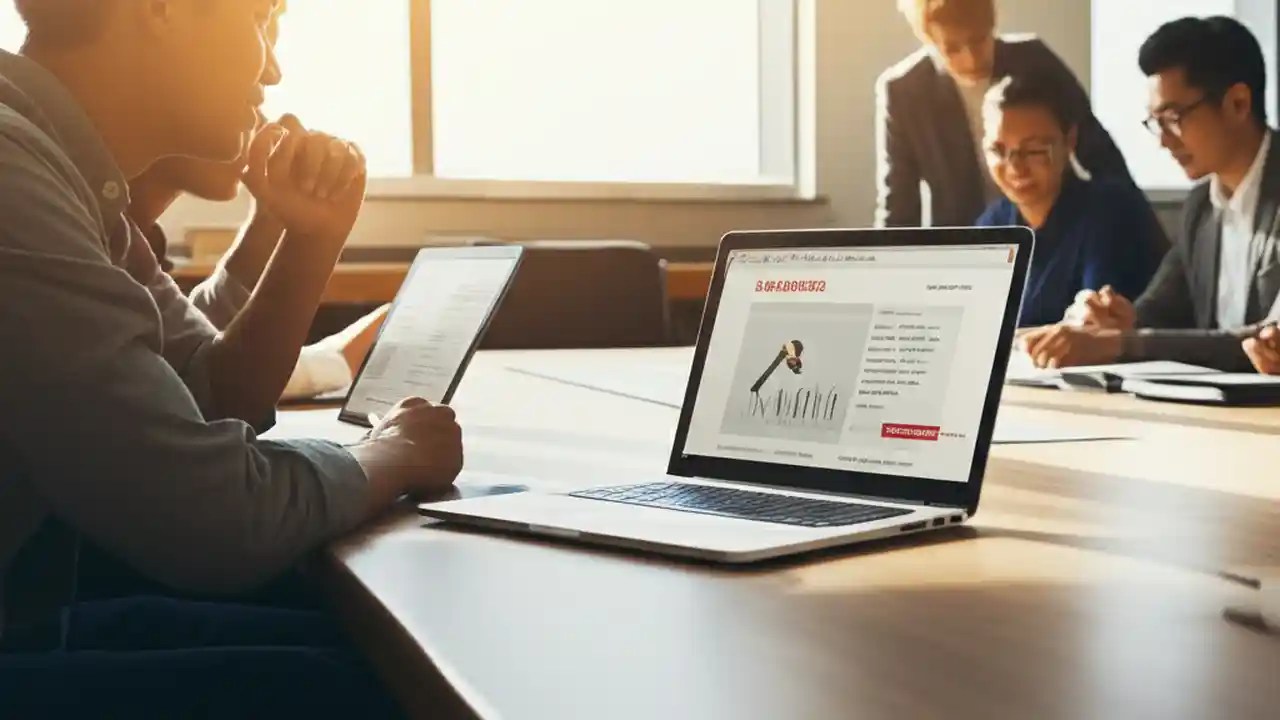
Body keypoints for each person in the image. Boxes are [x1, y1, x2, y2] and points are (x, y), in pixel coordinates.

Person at [0, 1, 461, 716]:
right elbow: (210, 518)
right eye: (257, 16)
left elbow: (210, 397)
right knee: (389, 689)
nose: (271, 69)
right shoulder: (13, 177)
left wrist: (310, 238)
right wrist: (393, 453)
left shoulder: (69, 180)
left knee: (369, 651)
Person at [127, 3, 386, 401]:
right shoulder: (56, 217)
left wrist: (269, 225)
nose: (271, 75)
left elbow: (184, 357)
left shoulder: (127, 236)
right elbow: (199, 398)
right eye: (257, 21)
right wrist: (335, 362)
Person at [1020, 16, 1280, 372]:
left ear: (1238, 103)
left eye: (1173, 118)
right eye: (1155, 123)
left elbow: (1269, 336)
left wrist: (1119, 343)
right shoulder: (1201, 206)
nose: (1163, 141)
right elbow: (1158, 310)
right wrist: (1112, 321)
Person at [876, 0, 1137, 229]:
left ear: (993, 24)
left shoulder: (1034, 60)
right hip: (965, 246)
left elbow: (1098, 150)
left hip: (1056, 234)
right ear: (929, 40)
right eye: (952, 48)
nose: (971, 59)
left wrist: (1133, 221)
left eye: (979, 40)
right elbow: (899, 207)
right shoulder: (903, 92)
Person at [975, 73, 1164, 327]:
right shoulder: (992, 225)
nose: (1015, 167)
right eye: (998, 150)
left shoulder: (1110, 211)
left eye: (1034, 150)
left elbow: (1094, 323)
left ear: (1069, 141)